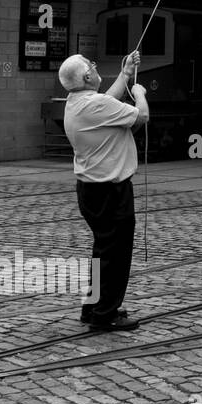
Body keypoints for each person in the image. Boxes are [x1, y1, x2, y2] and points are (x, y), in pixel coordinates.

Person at [58, 51, 149, 331]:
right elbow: (141, 116)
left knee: (102, 253)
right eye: (92, 65)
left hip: (91, 191)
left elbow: (106, 100)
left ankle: (93, 308)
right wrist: (139, 91)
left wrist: (124, 75)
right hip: (111, 193)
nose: (95, 67)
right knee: (116, 256)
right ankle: (105, 315)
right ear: (87, 76)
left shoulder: (78, 102)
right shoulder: (94, 105)